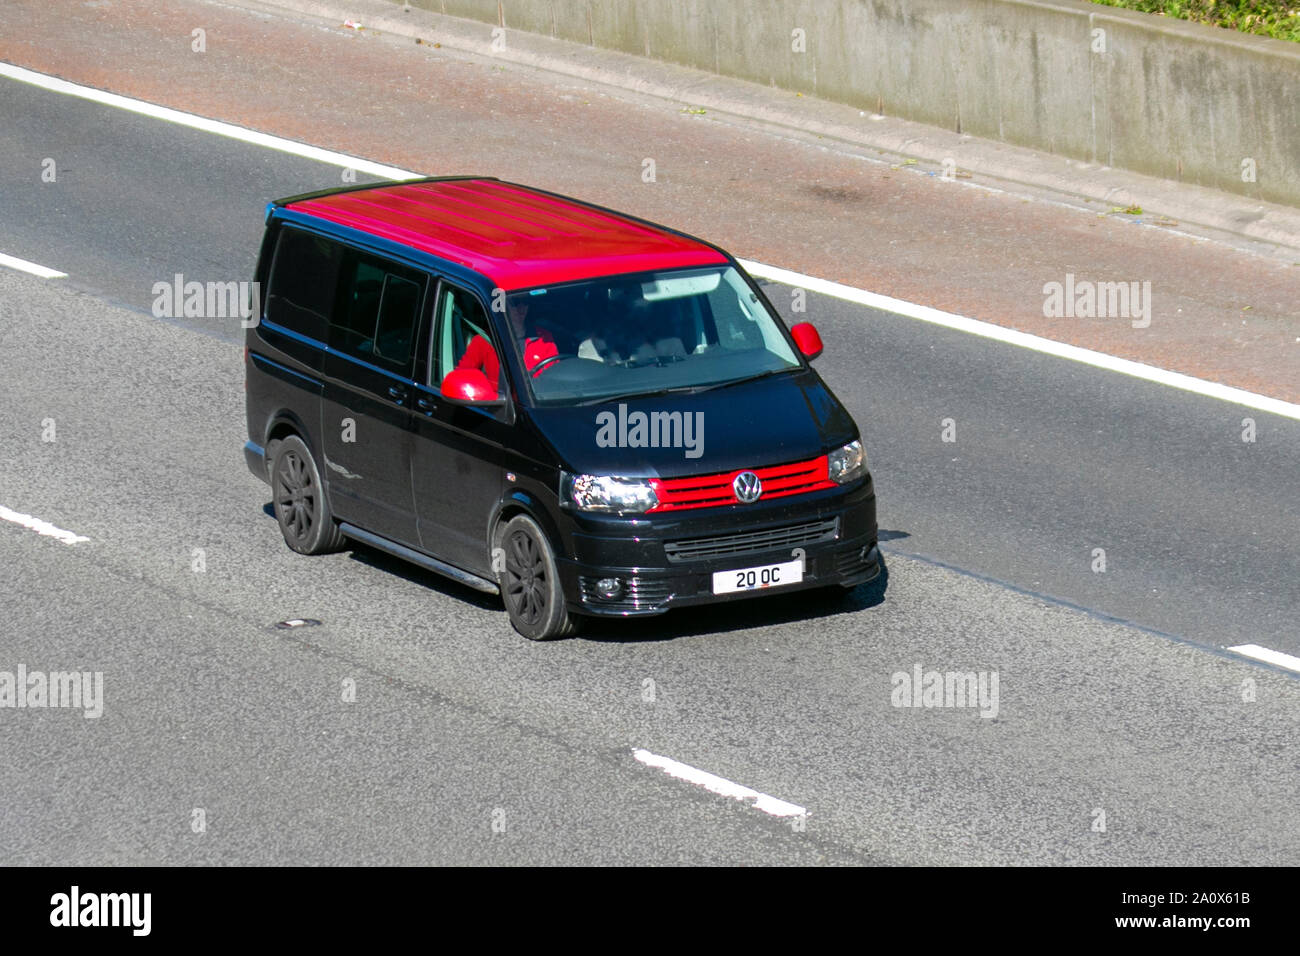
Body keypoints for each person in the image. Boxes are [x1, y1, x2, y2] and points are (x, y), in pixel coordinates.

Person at [455, 299, 556, 383]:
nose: (521, 309)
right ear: (504, 308)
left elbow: (555, 375)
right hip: (500, 403)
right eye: (515, 303)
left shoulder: (544, 338)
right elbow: (461, 377)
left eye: (525, 303)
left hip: (538, 400)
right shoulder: (485, 339)